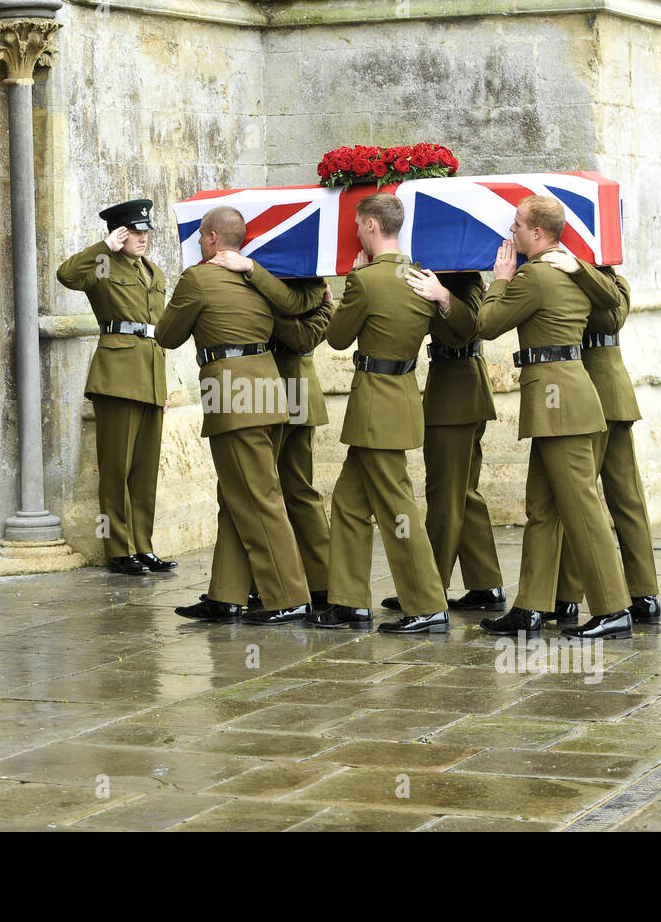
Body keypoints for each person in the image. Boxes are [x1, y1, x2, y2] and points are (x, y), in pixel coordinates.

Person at [473, 194, 632, 640]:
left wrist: (500, 280)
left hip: (558, 403)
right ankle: (531, 607)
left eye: (518, 226)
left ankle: (613, 607)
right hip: (563, 400)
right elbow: (610, 309)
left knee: (582, 506)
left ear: (537, 233)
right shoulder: (571, 273)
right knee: (542, 509)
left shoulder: (534, 277)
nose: (512, 232)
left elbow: (486, 324)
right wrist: (581, 267)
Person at [156, 206, 325, 626]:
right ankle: (226, 595)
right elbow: (297, 303)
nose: (197, 243)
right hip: (269, 390)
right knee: (238, 496)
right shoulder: (263, 280)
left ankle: (288, 597)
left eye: (200, 237)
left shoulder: (197, 278)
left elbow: (166, 335)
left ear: (213, 238)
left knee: (259, 499)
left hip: (231, 394)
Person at [305, 193, 453, 634]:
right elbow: (459, 328)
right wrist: (445, 296)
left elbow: (336, 338)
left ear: (371, 226)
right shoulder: (423, 278)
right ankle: (349, 602)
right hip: (402, 397)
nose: (356, 232)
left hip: (374, 405)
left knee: (396, 507)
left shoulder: (366, 281)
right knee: (349, 503)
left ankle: (428, 604)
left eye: (357, 225)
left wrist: (349, 285)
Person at [56, 199, 175, 576]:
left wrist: (166, 385)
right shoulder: (104, 265)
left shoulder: (154, 272)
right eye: (134, 232)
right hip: (118, 376)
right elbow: (67, 275)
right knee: (116, 468)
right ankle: (119, 550)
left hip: (151, 374)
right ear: (120, 233)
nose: (142, 238)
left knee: (145, 472)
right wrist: (102, 247)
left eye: (144, 232)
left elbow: (161, 330)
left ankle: (143, 546)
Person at [545, 256, 661, 626]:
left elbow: (610, 316)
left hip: (597, 396)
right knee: (612, 498)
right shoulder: (594, 282)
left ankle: (577, 595)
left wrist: (577, 274)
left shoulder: (608, 284)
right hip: (605, 395)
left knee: (590, 498)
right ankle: (634, 594)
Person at [382, 270, 506, 615]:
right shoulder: (453, 277)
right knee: (464, 494)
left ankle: (429, 588)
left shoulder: (460, 282)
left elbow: (472, 327)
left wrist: (443, 297)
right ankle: (486, 585)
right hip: (458, 389)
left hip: (456, 397)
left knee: (445, 495)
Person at [207, 279, 334, 612]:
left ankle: (317, 584)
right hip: (279, 395)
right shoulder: (311, 290)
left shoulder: (293, 288)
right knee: (267, 492)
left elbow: (303, 336)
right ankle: (237, 590)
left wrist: (258, 303)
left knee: (278, 492)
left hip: (282, 392)